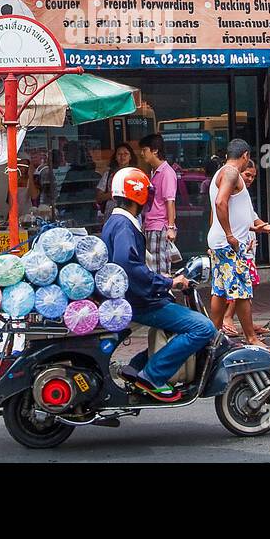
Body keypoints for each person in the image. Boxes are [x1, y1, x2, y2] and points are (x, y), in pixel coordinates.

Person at [98, 166, 216, 402]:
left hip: (133, 297)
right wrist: (169, 282)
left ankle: (136, 367)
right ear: (139, 196)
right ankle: (152, 375)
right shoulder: (124, 226)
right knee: (203, 328)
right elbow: (129, 266)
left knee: (176, 327)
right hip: (139, 301)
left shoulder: (116, 221)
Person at [206, 139, 270, 350]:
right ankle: (251, 338)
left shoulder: (221, 172)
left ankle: (211, 337)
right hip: (229, 244)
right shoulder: (231, 173)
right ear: (245, 156)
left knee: (220, 290)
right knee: (242, 291)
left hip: (219, 242)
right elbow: (220, 203)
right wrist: (230, 235)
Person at [223, 162, 270, 338]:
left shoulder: (243, 194)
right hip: (237, 248)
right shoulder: (229, 191)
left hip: (247, 247)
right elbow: (219, 213)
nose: (250, 179)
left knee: (246, 288)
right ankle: (227, 321)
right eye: (247, 175)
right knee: (237, 288)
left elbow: (252, 219)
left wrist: (268, 227)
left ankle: (245, 322)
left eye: (253, 176)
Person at [137, 134, 180, 276]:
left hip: (160, 226)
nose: (142, 153)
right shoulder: (154, 172)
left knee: (159, 270)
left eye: (144, 150)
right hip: (150, 225)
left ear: (155, 150)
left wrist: (171, 228)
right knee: (151, 268)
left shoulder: (167, 172)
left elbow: (170, 201)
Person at [95, 143, 136, 220]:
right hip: (111, 214)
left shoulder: (136, 174)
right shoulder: (108, 174)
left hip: (131, 214)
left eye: (126, 154)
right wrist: (111, 194)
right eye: (119, 154)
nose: (122, 156)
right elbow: (99, 197)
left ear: (130, 157)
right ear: (115, 157)